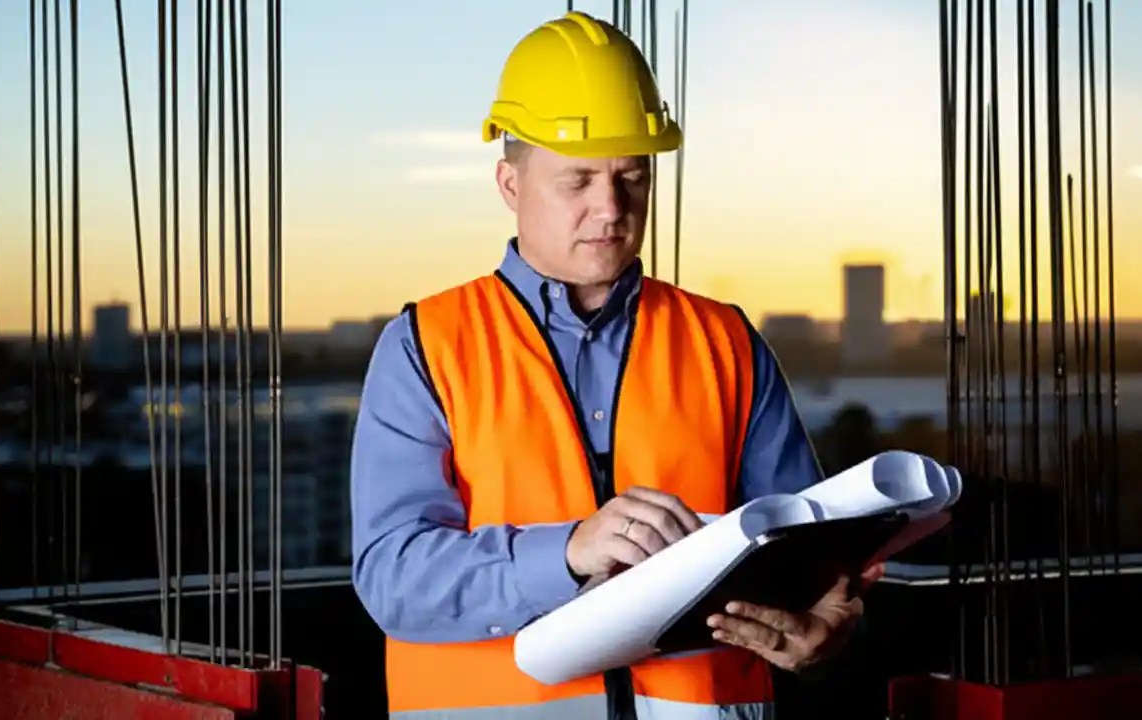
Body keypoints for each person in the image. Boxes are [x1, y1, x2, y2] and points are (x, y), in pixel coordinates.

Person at [350, 11, 880, 719]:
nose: (611, 208)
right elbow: (394, 578)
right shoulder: (427, 346)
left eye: (632, 176)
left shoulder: (723, 340)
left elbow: (804, 550)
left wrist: (829, 623)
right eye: (578, 181)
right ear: (510, 184)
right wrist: (570, 550)